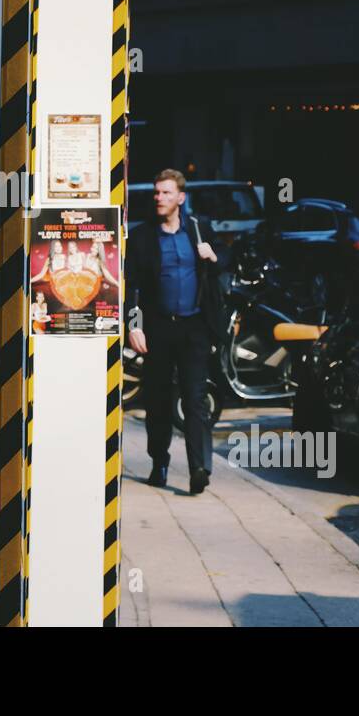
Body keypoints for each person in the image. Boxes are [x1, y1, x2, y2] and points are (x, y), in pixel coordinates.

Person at [125, 169, 230, 494]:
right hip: (157, 328)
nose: (160, 198)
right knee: (157, 399)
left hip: (194, 327)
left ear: (180, 198)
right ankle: (160, 461)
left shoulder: (199, 230)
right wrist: (134, 326)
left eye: (167, 193)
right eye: (157, 193)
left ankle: (199, 467)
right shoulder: (143, 236)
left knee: (195, 398)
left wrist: (213, 256)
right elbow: (132, 287)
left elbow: (226, 261)